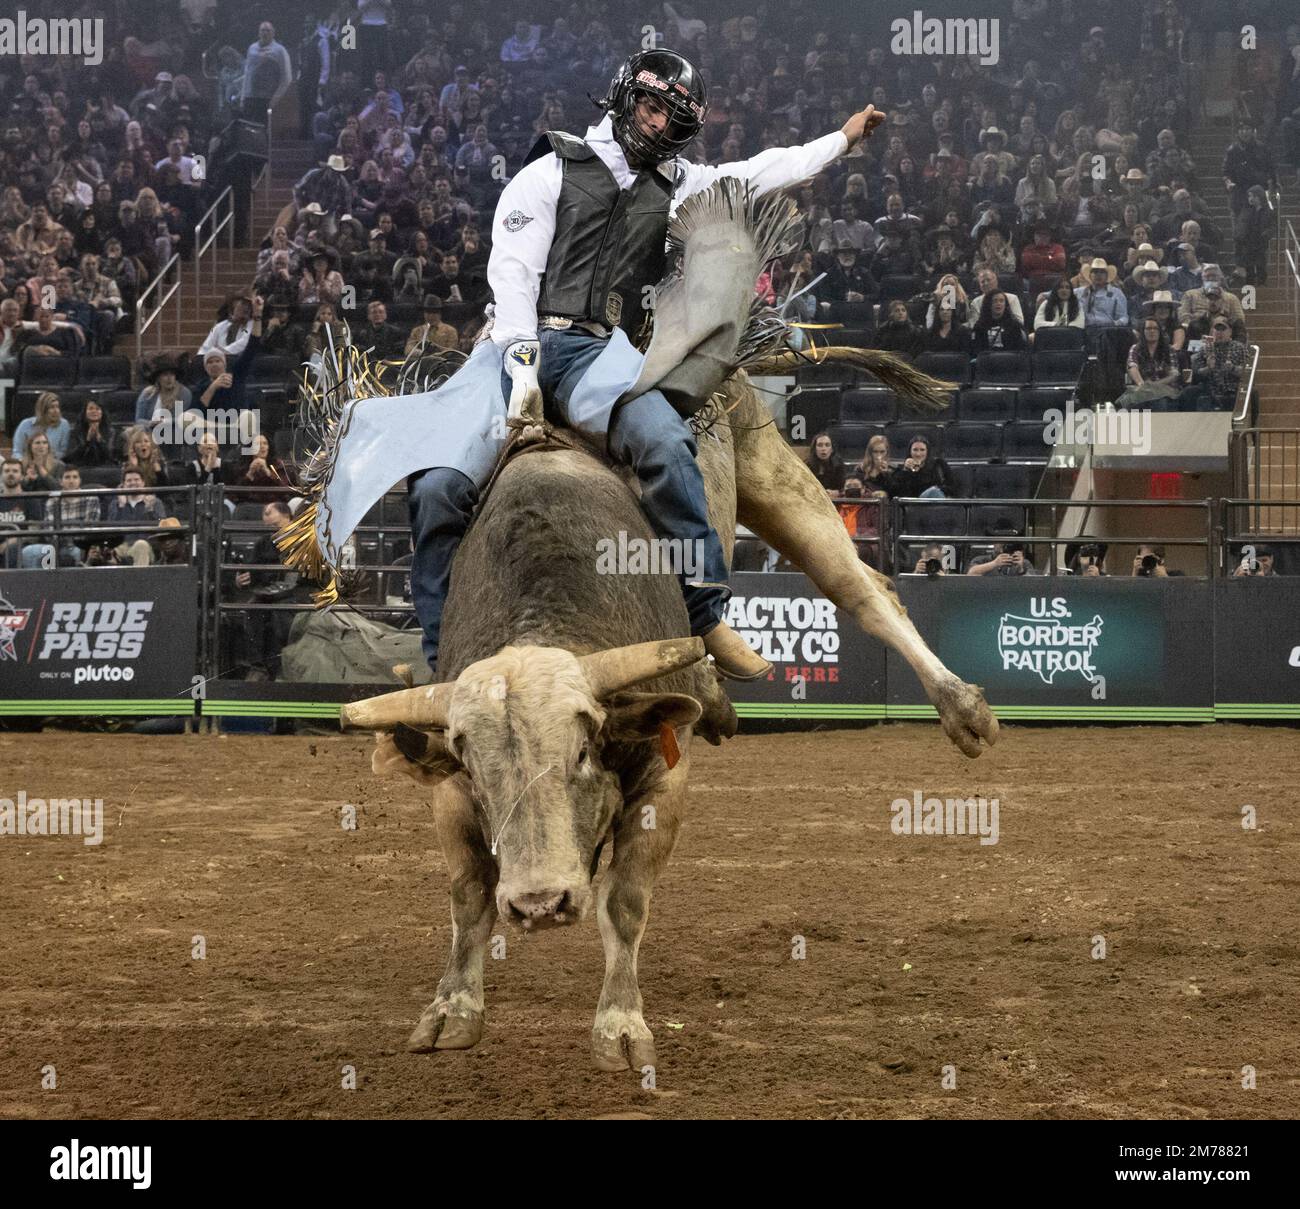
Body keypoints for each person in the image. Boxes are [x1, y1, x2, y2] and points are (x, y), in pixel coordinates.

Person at [395, 47, 885, 679]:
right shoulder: (548, 171)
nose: (658, 126)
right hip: (510, 345)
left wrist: (841, 141)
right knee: (435, 487)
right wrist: (520, 367)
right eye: (652, 108)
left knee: (665, 442)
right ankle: (441, 665)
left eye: (672, 122)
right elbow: (512, 275)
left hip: (594, 352)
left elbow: (761, 172)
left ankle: (704, 615)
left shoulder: (681, 185)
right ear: (626, 97)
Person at [1117, 318, 1182, 410]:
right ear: (1143, 332)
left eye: (1155, 328)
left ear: (1160, 332)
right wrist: (1141, 384)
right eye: (1148, 328)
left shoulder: (1169, 349)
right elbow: (1132, 366)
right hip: (1143, 389)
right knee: (1128, 402)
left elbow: (1174, 375)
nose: (1152, 331)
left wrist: (1153, 385)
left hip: (1165, 389)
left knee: (1160, 403)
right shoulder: (1135, 348)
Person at [13, 392, 71, 460]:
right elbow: (17, 452)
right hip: (28, 464)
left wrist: (47, 460)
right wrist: (26, 463)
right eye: (52, 407)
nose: (56, 411)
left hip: (52, 463)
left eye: (57, 407)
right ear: (42, 409)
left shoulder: (64, 424)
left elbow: (63, 452)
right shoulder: (25, 424)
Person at [968, 541, 1038, 576]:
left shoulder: (1024, 563)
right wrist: (994, 564)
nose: (1003, 544)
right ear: (994, 543)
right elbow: (970, 574)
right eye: (1000, 540)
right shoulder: (981, 560)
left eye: (1007, 541)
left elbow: (1035, 584)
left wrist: (1021, 570)